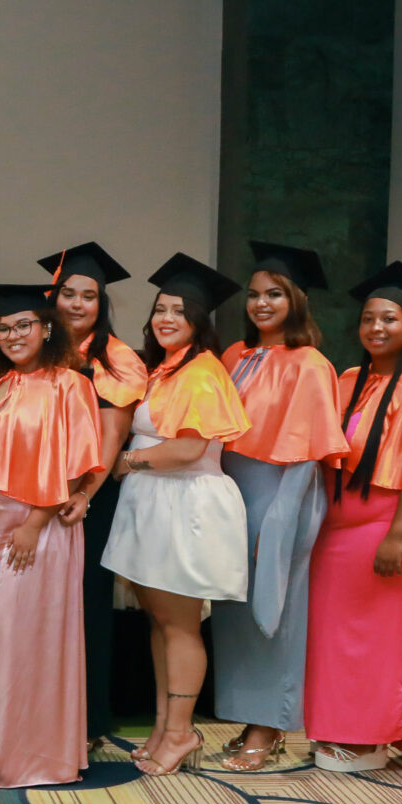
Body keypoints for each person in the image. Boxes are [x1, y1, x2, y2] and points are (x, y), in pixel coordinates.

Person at [305, 263, 402, 773]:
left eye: (389, 319)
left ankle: (371, 738)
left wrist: (397, 536)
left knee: (379, 639)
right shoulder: (353, 379)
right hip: (342, 529)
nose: (376, 328)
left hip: (391, 527)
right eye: (369, 319)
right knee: (338, 635)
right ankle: (340, 728)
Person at [0, 284, 105, 786]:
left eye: (23, 325)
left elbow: (72, 466)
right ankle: (6, 748)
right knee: (4, 636)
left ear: (46, 328)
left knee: (36, 636)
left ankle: (39, 758)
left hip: (41, 526)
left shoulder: (69, 385)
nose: (13, 335)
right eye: (3, 328)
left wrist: (34, 522)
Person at [104, 253, 251, 777]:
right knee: (160, 622)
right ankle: (165, 728)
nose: (166, 319)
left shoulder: (204, 372)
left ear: (199, 321)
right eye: (160, 309)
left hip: (185, 503)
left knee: (181, 626)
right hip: (153, 502)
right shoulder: (166, 368)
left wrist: (128, 460)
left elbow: (189, 449)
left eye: (179, 311)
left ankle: (183, 732)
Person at [211, 242, 347, 771]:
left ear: (297, 301)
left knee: (276, 607)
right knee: (237, 613)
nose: (261, 304)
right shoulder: (234, 357)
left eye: (275, 294)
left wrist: (280, 520)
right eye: (254, 295)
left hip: (280, 489)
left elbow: (307, 454)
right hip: (232, 491)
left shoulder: (310, 364)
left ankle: (269, 729)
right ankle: (249, 717)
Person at [40, 244, 146, 752]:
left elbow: (111, 438)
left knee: (85, 605)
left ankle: (85, 721)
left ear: (101, 305)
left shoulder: (118, 359)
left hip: (89, 499)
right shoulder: (38, 347)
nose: (78, 304)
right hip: (35, 492)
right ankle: (41, 712)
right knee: (39, 607)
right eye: (69, 294)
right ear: (53, 297)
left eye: (89, 296)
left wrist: (84, 493)